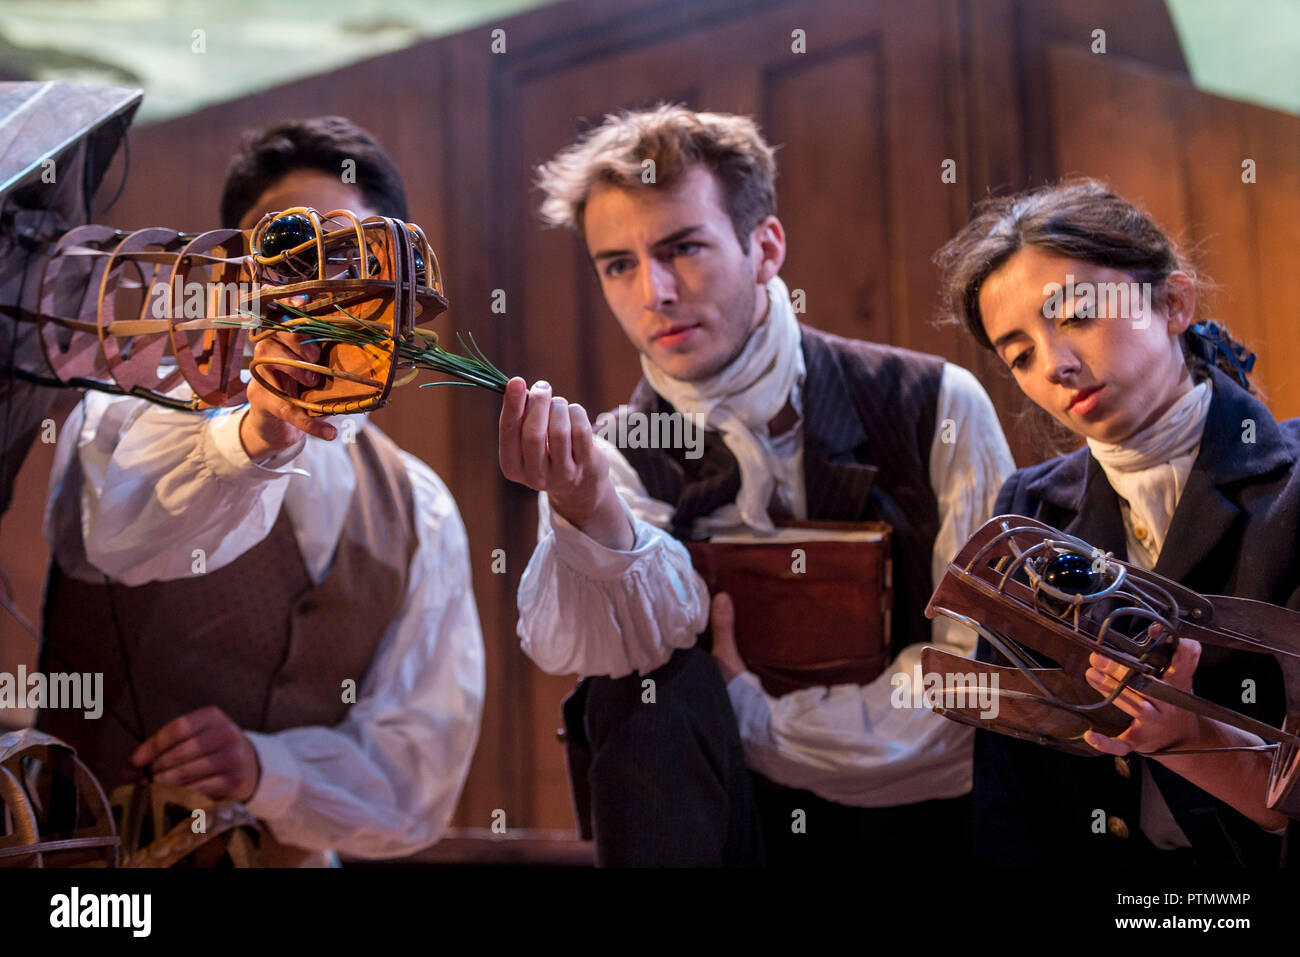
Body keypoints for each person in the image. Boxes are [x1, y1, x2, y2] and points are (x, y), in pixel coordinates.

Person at [496, 104, 1014, 865]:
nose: (655, 292)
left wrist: (759, 717)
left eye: (684, 248)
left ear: (764, 246)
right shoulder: (611, 456)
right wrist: (591, 517)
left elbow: (976, 697)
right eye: (619, 264)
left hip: (930, 837)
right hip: (726, 842)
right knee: (635, 689)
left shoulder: (935, 403)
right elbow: (600, 664)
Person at [38, 116, 485, 865]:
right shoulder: (133, 408)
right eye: (287, 258)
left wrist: (269, 769)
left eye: (348, 259)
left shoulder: (421, 507)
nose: (317, 290)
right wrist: (257, 432)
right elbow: (122, 539)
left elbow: (418, 771)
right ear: (233, 276)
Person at [935, 176, 1300, 865]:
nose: (1056, 365)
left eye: (1075, 315)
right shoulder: (1031, 506)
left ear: (1172, 301)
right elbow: (1011, 779)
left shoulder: (1293, 485)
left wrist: (1196, 736)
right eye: (1020, 355)